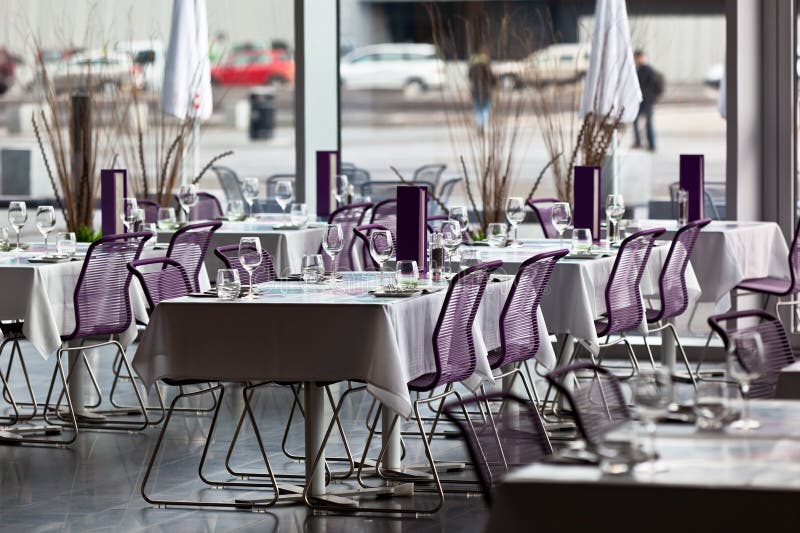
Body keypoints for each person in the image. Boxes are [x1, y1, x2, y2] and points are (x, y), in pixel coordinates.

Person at [632, 49, 664, 151]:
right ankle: (643, 142)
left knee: (647, 123)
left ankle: (651, 144)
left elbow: (656, 86)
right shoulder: (639, 70)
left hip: (647, 101)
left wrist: (652, 97)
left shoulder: (647, 70)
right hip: (643, 101)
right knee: (638, 121)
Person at [468, 49, 495, 136]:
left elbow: (469, 78)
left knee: (478, 109)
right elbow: (493, 80)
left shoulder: (473, 69)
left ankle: (480, 125)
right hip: (485, 91)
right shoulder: (486, 69)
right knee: (485, 108)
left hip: (476, 91)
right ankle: (482, 124)